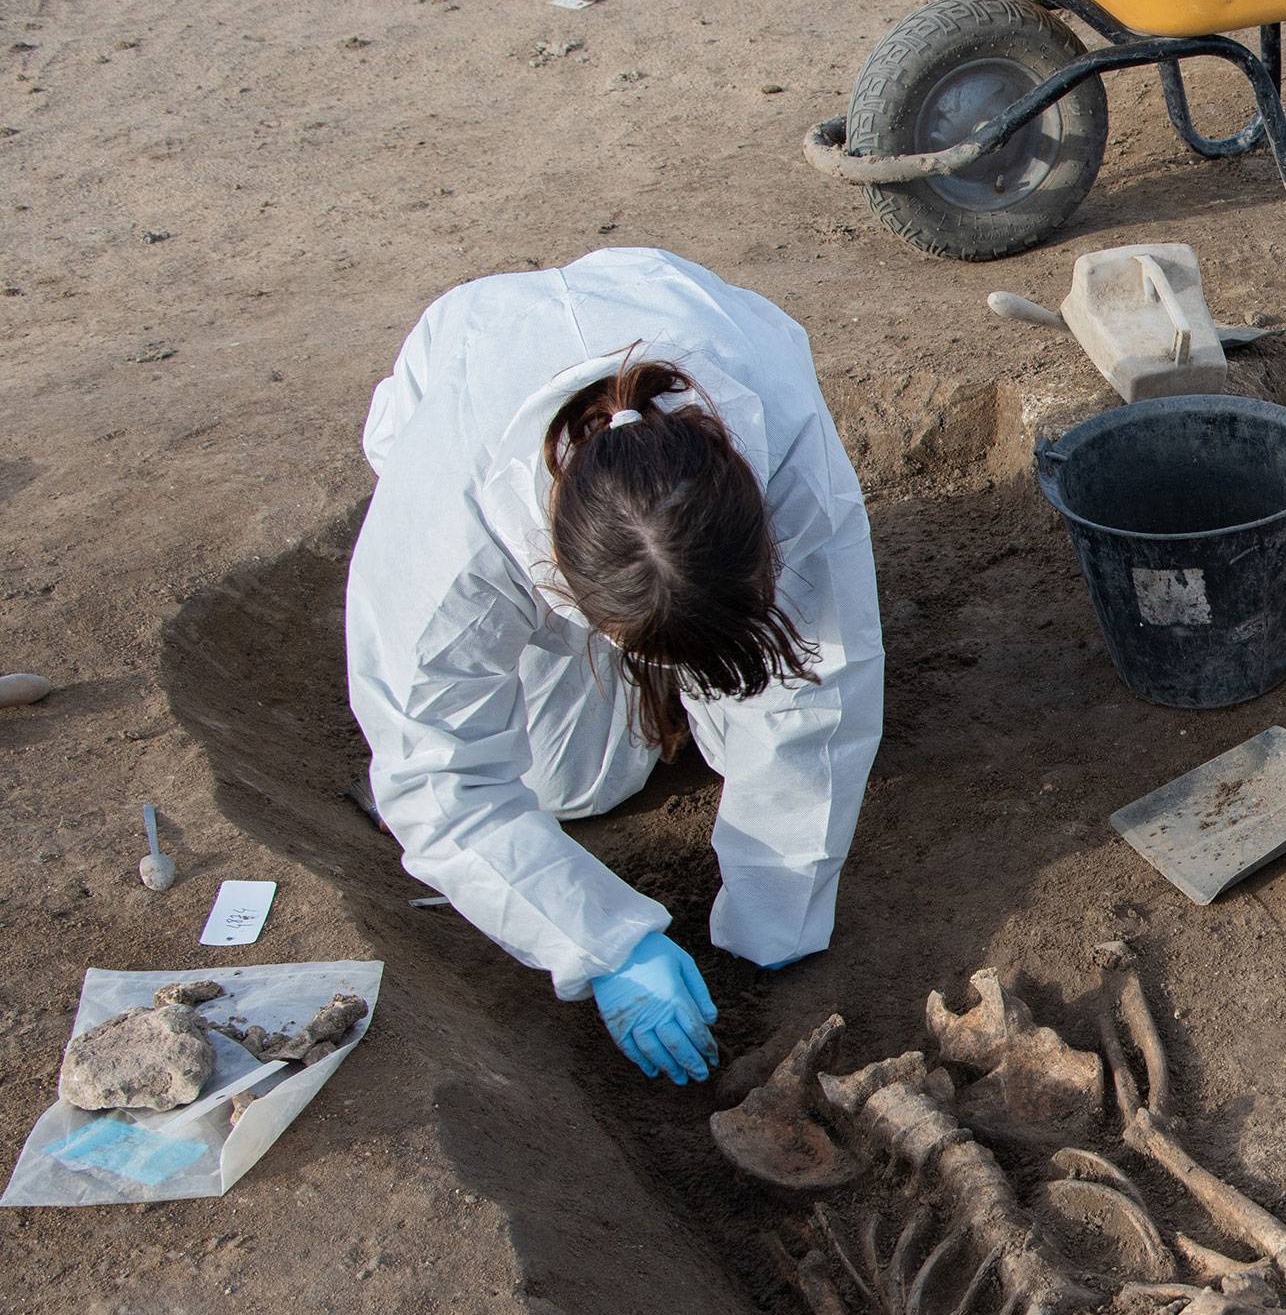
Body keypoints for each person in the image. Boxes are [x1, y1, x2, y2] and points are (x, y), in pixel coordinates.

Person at [346, 248, 886, 1085]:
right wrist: (603, 944)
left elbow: (826, 683)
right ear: (565, 591)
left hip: (664, 311)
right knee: (571, 784)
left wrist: (777, 922)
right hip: (471, 360)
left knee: (774, 706)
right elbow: (438, 782)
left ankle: (697, 681)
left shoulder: (778, 436)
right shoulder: (446, 548)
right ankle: (652, 687)